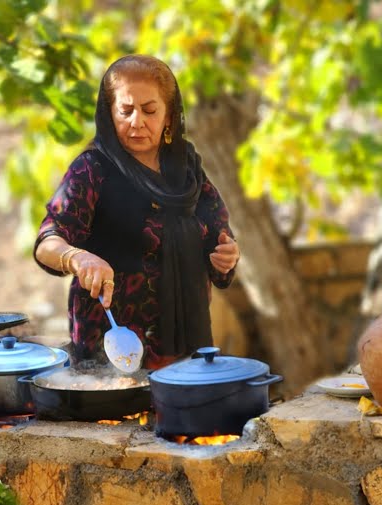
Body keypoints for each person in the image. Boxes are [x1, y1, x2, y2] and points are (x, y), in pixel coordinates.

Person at [33, 54, 241, 369]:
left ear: (170, 116)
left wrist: (226, 257)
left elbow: (219, 237)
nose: (137, 121)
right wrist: (77, 258)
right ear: (108, 114)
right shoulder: (92, 169)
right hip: (112, 351)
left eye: (149, 110)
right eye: (125, 110)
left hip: (185, 348)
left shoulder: (186, 169)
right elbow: (48, 242)